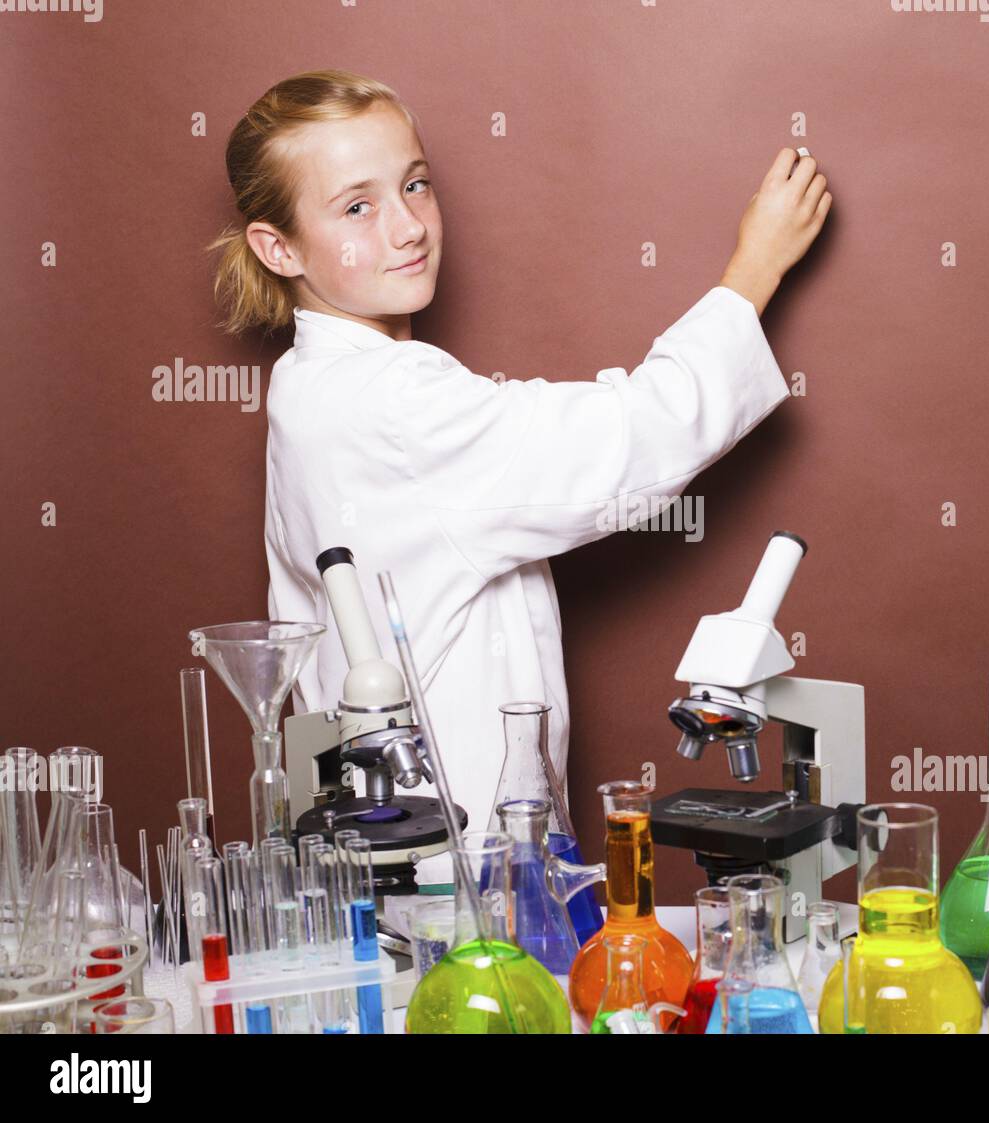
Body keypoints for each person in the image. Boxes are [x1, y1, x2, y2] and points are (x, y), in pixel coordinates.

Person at [209, 70, 831, 865]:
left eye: (416, 184)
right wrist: (755, 269)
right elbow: (629, 439)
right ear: (278, 246)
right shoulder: (392, 403)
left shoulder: (308, 383)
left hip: (400, 854)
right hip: (457, 866)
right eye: (357, 206)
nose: (408, 228)